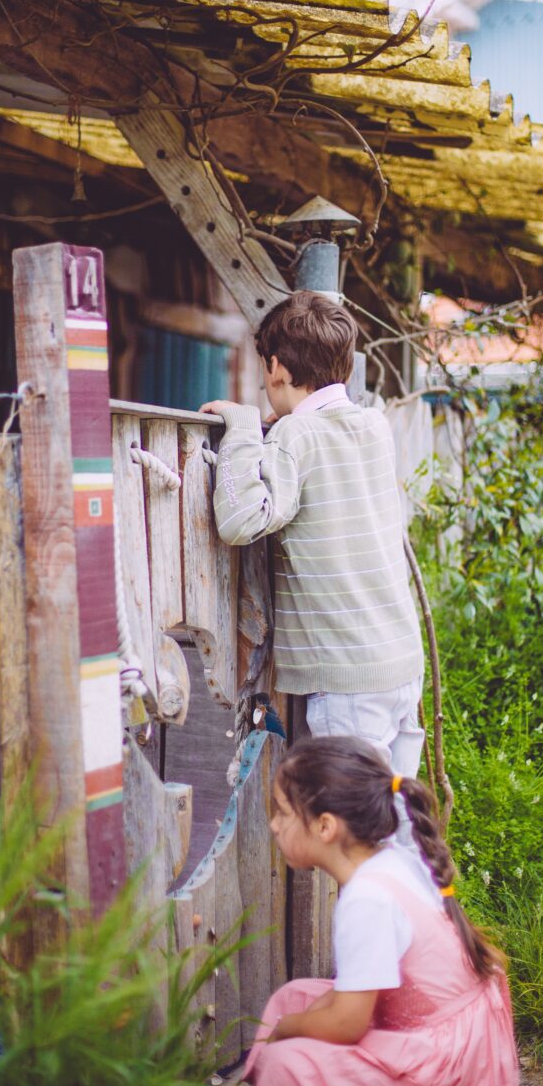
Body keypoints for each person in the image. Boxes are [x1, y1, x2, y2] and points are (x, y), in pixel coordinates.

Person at [200, 291, 425, 776]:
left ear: (276, 367)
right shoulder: (374, 425)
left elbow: (241, 521)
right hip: (400, 665)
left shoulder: (294, 436)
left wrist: (241, 428)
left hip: (347, 681)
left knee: (344, 832)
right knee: (397, 819)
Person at [244, 736, 520, 1086]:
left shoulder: (366, 899)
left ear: (325, 826)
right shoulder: (394, 860)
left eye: (282, 812)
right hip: (455, 1029)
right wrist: (300, 1016)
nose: (274, 825)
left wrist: (287, 1028)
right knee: (292, 997)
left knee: (285, 1062)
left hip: (443, 1061)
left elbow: (347, 1024)